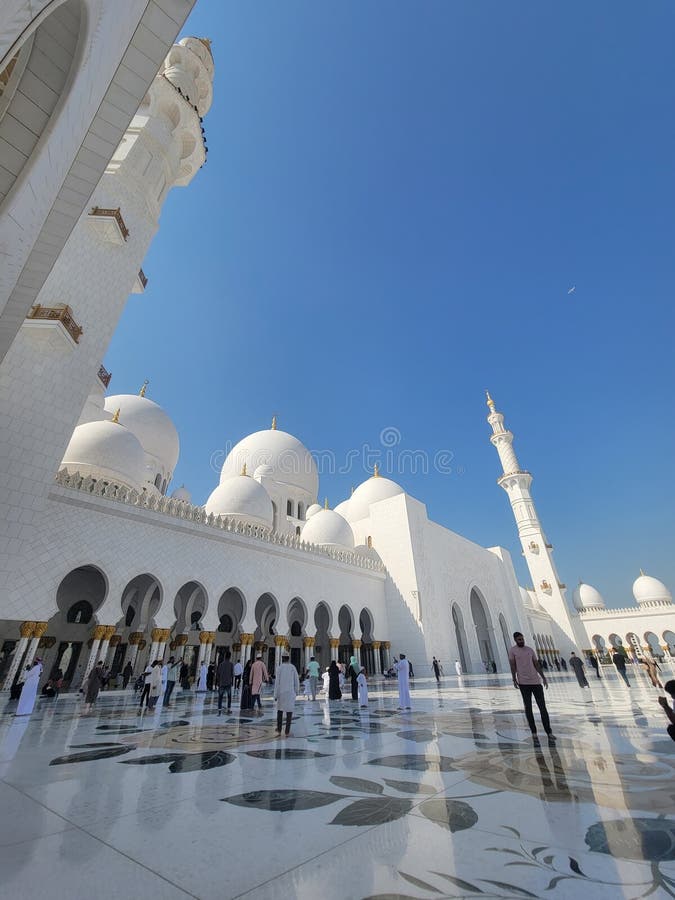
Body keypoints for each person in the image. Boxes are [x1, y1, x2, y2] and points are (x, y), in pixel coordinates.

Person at [508, 632, 555, 743]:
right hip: (523, 683)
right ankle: (534, 733)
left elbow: (536, 664)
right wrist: (514, 678)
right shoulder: (512, 651)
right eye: (519, 639)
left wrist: (543, 677)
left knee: (542, 707)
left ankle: (549, 732)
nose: (521, 641)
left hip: (536, 682)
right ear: (515, 640)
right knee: (528, 708)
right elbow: (512, 665)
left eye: (522, 639)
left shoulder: (530, 650)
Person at [274, 654, 300, 736]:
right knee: (289, 712)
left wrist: (275, 695)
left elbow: (277, 683)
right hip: (290, 692)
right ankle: (287, 731)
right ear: (288, 659)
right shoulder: (292, 667)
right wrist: (297, 691)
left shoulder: (279, 668)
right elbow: (296, 680)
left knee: (280, 711)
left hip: (281, 692)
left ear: (282, 659)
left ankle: (279, 729)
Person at [216, 650, 234, 715]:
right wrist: (232, 682)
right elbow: (232, 674)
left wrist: (218, 682)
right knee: (229, 697)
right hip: (228, 683)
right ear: (230, 657)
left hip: (222, 683)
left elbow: (218, 674)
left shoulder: (221, 664)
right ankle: (229, 709)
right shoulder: (231, 664)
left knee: (220, 697)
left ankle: (219, 709)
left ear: (224, 656)